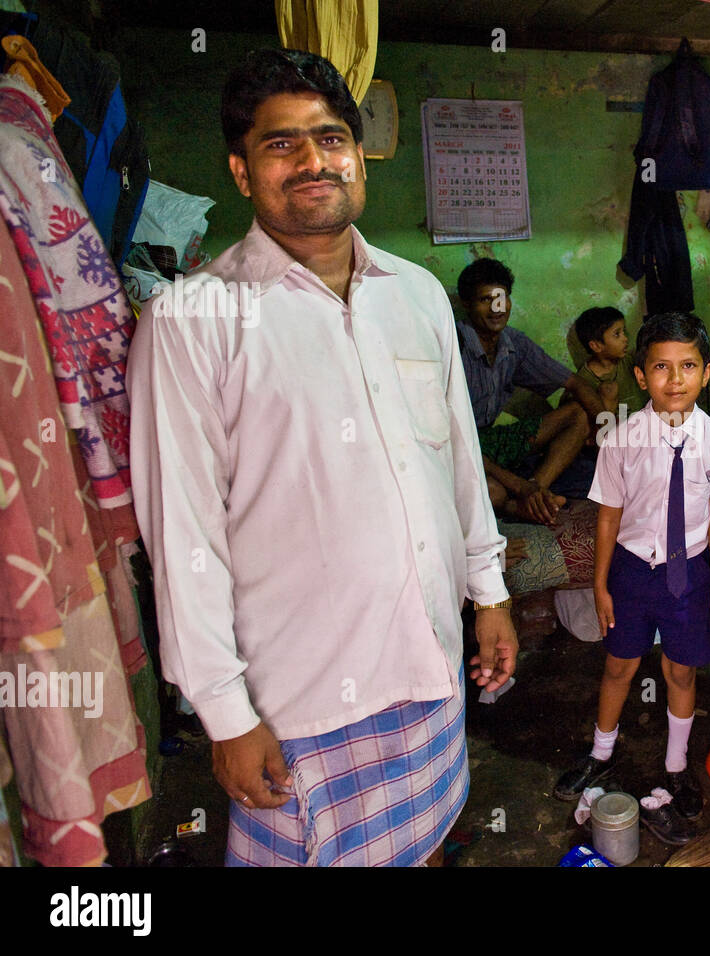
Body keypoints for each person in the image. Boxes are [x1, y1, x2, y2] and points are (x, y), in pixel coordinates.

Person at [127, 48, 517, 867]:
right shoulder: (191, 322)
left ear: (358, 154)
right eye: (281, 144)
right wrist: (224, 713)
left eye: (331, 138)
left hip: (430, 660)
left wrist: (489, 593)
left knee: (426, 844)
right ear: (240, 171)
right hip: (303, 698)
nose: (314, 161)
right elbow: (184, 539)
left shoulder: (414, 294)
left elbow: (459, 467)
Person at [552, 312, 710, 846]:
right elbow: (608, 517)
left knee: (681, 673)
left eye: (687, 366)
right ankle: (600, 752)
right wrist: (600, 583)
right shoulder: (622, 441)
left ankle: (676, 765)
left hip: (691, 572)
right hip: (633, 571)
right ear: (641, 376)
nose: (674, 379)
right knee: (619, 665)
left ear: (706, 374)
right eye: (661, 367)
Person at [457, 259, 604, 524]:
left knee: (577, 415)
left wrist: (612, 435)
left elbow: (576, 384)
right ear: (467, 304)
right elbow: (454, 437)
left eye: (502, 299)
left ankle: (538, 492)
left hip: (491, 441)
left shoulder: (514, 343)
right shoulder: (454, 345)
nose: (496, 308)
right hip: (459, 446)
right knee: (491, 492)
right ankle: (518, 503)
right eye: (485, 300)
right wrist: (517, 485)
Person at [571, 306, 647, 420]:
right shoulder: (584, 382)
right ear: (596, 346)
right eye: (617, 334)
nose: (625, 338)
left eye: (624, 332)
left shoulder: (631, 360)